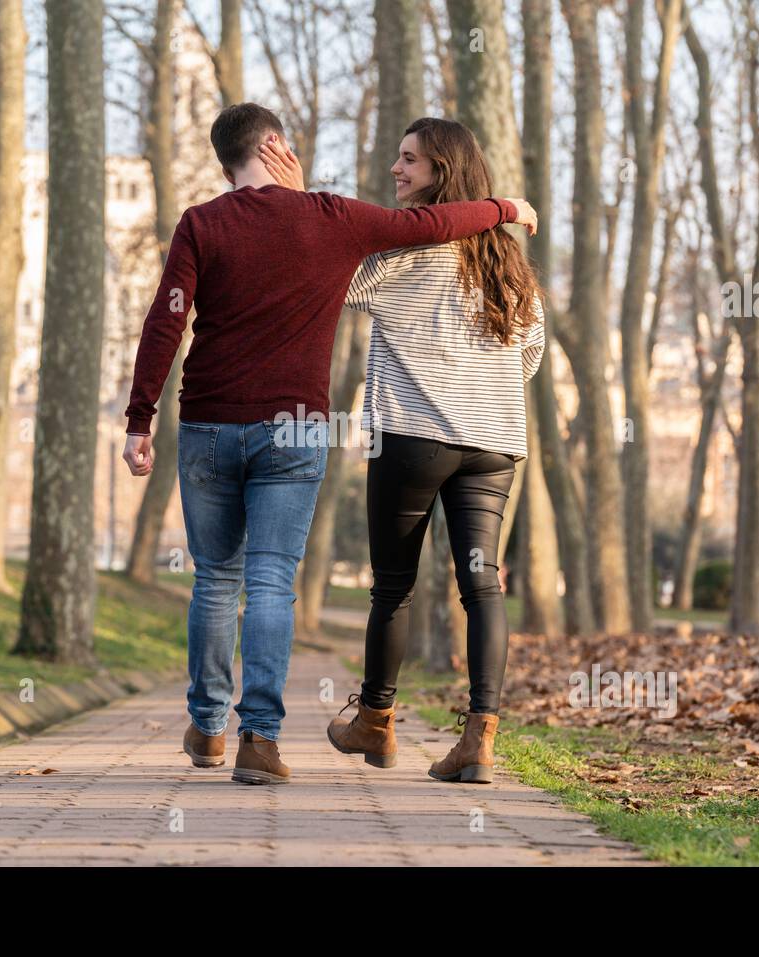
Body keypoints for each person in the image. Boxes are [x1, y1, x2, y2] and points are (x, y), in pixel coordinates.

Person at [123, 103, 538, 786]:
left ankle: (223, 725)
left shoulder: (208, 224)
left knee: (232, 578)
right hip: (385, 433)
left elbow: (181, 316)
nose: (396, 169)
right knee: (289, 582)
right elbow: (504, 315)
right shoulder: (353, 225)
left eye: (409, 159)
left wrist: (140, 418)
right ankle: (277, 738)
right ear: (278, 147)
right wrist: (502, 209)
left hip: (259, 424)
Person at [260, 117, 546, 784]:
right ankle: (480, 739)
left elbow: (326, 273)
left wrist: (304, 202)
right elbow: (527, 356)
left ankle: (376, 719)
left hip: (413, 437)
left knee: (392, 586)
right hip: (494, 445)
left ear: (441, 172)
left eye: (409, 160)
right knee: (482, 585)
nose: (396, 169)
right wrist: (479, 386)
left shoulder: (399, 259)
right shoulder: (513, 264)